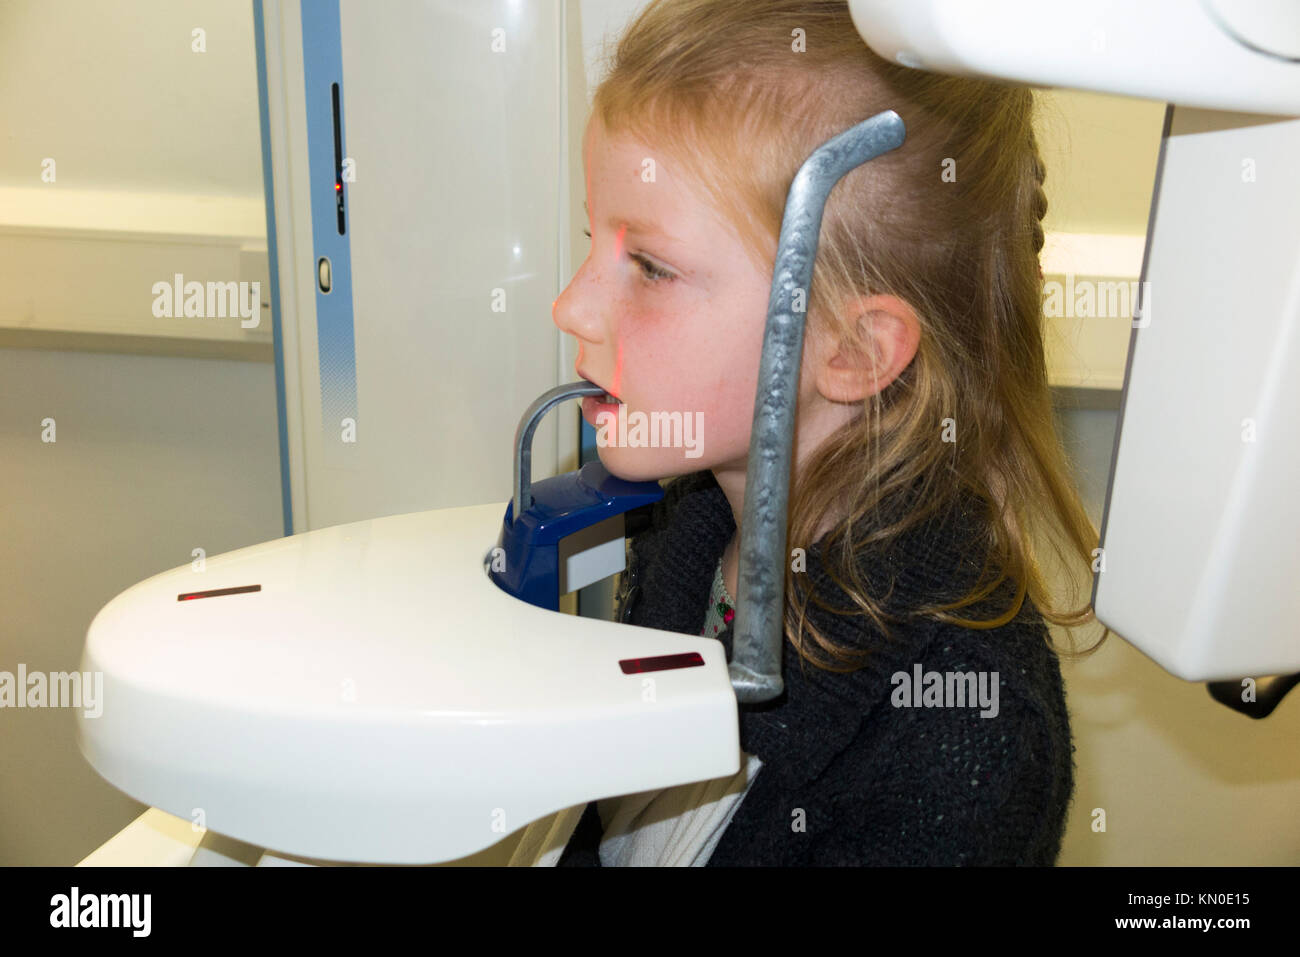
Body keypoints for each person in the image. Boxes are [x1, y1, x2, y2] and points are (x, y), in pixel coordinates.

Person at [546, 0, 1109, 866]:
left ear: (851, 350)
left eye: (650, 267)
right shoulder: (680, 533)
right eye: (594, 242)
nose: (571, 306)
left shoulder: (965, 733)